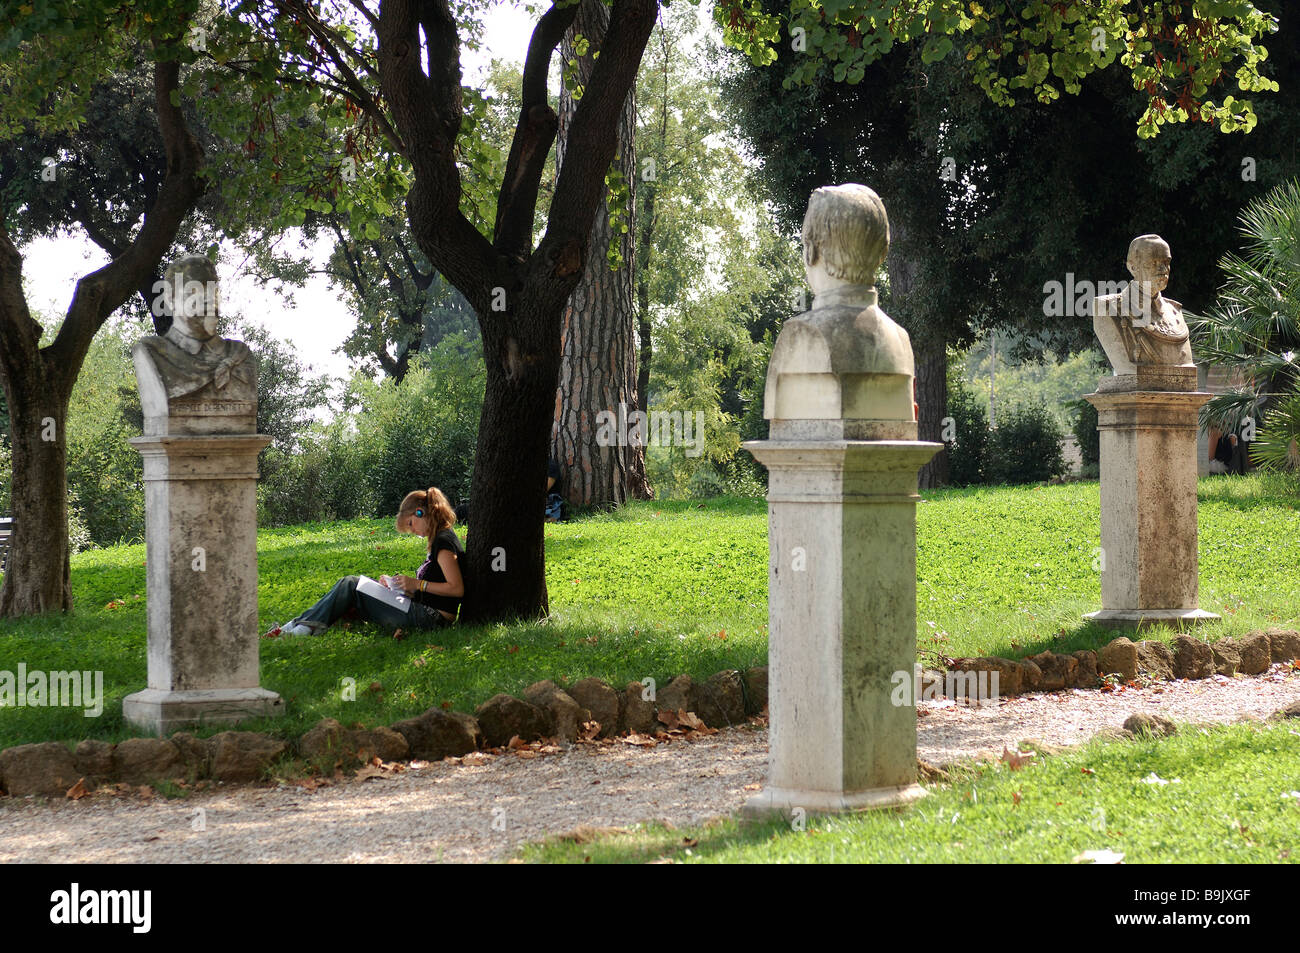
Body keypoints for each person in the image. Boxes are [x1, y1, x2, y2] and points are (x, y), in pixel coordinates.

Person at [271, 487, 465, 635]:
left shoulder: (443, 542)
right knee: (353, 586)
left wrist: (418, 584)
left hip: (432, 619)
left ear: (421, 513)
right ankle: (297, 626)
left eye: (411, 524)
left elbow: (456, 589)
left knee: (351, 584)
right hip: (422, 611)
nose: (413, 531)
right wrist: (402, 587)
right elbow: (432, 588)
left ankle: (298, 629)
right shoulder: (439, 539)